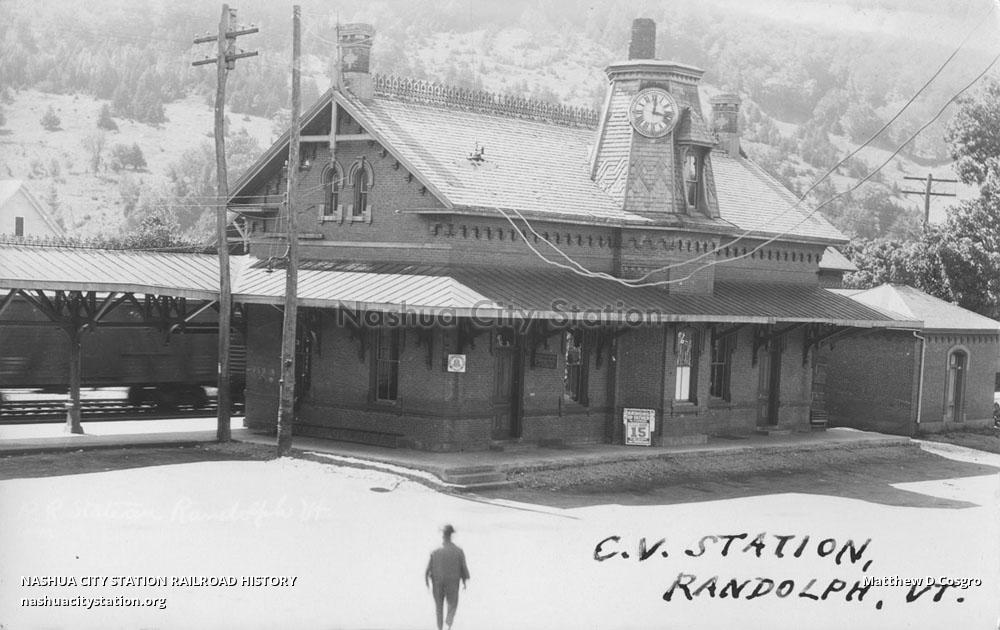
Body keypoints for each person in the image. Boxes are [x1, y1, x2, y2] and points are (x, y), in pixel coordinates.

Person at [425, 524, 470, 630]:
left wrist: (427, 580)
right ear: (451, 535)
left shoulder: (435, 551)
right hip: (452, 583)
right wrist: (464, 581)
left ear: (443, 535)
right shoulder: (458, 551)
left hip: (437, 583)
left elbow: (428, 569)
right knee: (452, 605)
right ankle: (448, 625)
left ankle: (440, 628)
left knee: (439, 608)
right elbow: (463, 568)